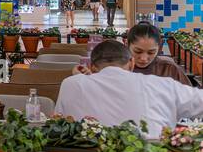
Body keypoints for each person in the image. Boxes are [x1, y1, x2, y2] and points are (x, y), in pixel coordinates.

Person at [56, 39, 203, 137]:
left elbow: (56, 126)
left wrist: (80, 78)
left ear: (93, 67)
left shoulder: (70, 84)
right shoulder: (161, 85)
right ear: (132, 63)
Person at [124, 22, 192, 85]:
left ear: (159, 47)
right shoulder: (119, 68)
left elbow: (190, 96)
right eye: (138, 51)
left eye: (151, 52)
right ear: (127, 44)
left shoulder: (170, 70)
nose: (143, 58)